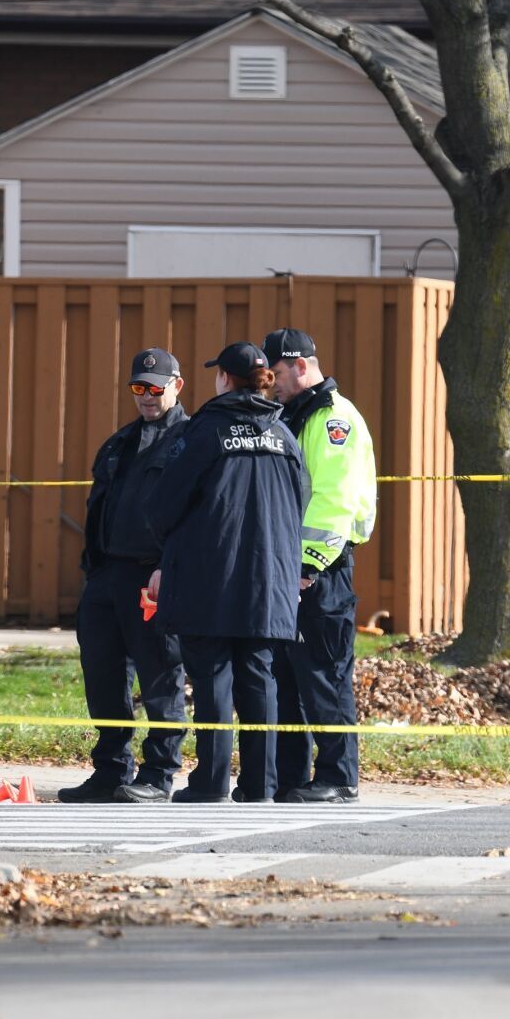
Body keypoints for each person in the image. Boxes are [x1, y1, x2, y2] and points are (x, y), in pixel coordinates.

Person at [146, 342, 309, 804]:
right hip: (269, 581)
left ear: (224, 379)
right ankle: (260, 785)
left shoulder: (205, 432)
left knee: (214, 676)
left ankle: (212, 782)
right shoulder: (284, 435)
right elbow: (301, 498)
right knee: (259, 678)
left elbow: (162, 505)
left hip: (208, 577)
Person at [61, 348, 192, 804]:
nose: (146, 396)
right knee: (103, 675)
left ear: (177, 385)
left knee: (160, 675)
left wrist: (170, 567)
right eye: (138, 388)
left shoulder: (190, 441)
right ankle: (112, 769)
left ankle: (159, 772)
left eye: (155, 388)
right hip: (107, 575)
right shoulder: (119, 442)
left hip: (153, 576)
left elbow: (195, 516)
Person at [263, 328, 378, 803]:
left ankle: (337, 777)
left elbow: (333, 500)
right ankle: (292, 777)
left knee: (325, 675)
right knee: (290, 678)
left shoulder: (334, 420)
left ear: (301, 366)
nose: (272, 383)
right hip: (292, 567)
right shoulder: (297, 414)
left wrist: (307, 565)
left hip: (319, 569)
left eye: (278, 372)